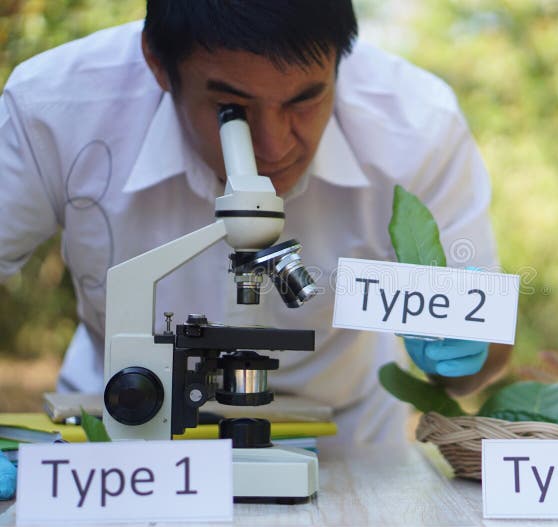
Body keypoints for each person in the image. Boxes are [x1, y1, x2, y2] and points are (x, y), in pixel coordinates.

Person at [0, 1, 510, 448]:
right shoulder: (56, 109)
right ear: (157, 61)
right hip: (121, 432)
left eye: (304, 99)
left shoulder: (420, 125)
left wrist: (466, 350)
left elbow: (487, 350)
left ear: (340, 61)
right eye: (233, 108)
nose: (274, 146)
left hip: (345, 440)